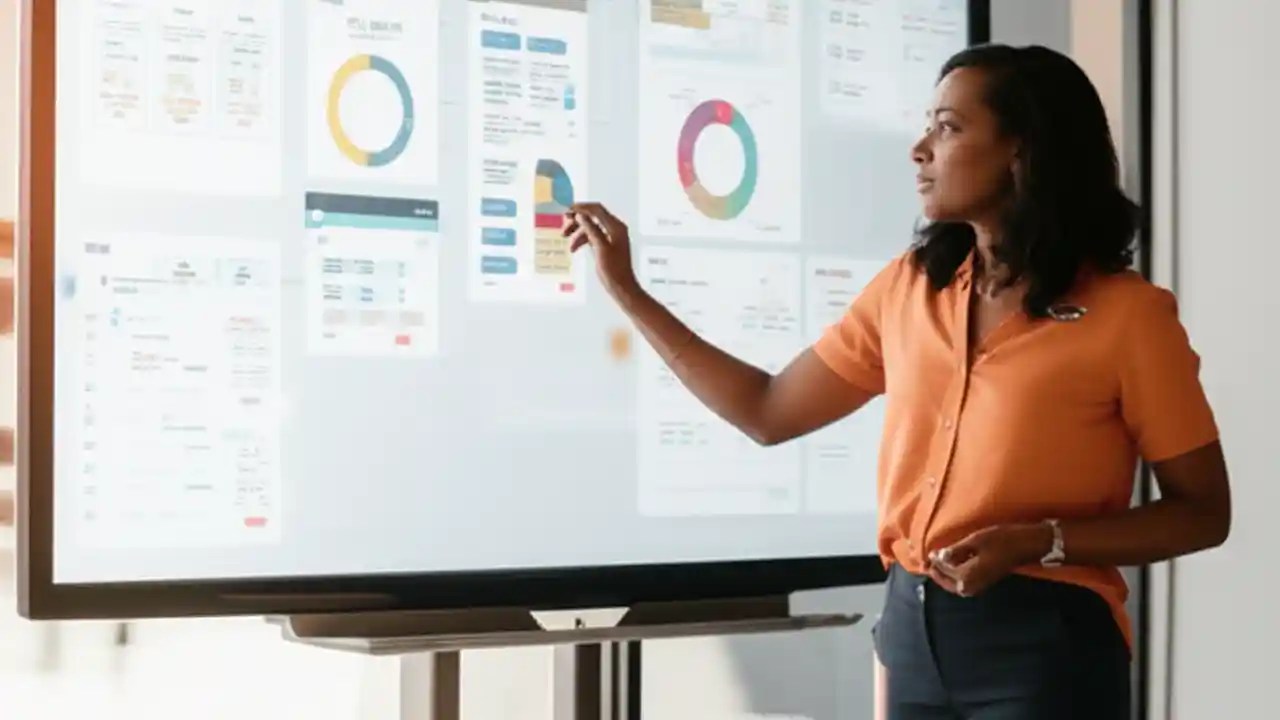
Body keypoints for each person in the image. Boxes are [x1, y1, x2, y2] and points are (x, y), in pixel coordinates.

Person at [563, 43, 1230, 719]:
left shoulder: (1128, 317)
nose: (920, 148)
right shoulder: (909, 290)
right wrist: (629, 290)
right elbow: (766, 411)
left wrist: (1038, 541)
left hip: (1045, 643)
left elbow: (1203, 512)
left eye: (948, 127)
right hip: (912, 633)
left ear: (1021, 151)